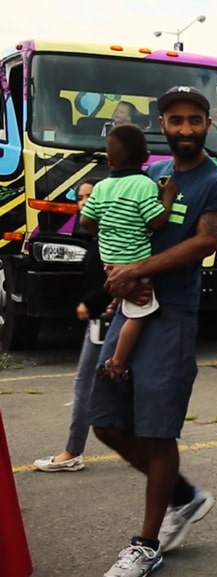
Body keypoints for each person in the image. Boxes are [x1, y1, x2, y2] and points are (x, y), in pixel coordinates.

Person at [89, 85, 217, 577]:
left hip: (171, 314)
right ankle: (183, 495)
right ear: (163, 124)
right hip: (130, 308)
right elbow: (125, 224)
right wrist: (117, 274)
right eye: (176, 121)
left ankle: (145, 545)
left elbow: (205, 242)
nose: (186, 129)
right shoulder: (151, 172)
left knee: (157, 431)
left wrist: (139, 269)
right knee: (105, 421)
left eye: (196, 120)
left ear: (207, 124)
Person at [80, 124, 175, 383]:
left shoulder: (100, 188)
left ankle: (112, 307)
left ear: (109, 159)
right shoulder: (144, 185)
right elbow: (157, 221)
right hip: (135, 261)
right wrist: (167, 195)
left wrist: (107, 232)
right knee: (140, 311)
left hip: (108, 260)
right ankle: (118, 362)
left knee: (123, 301)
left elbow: (86, 222)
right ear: (146, 156)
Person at [33, 177, 111, 473]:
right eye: (80, 198)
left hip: (107, 319)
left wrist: (90, 303)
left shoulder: (112, 236)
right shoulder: (95, 237)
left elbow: (119, 278)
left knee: (84, 386)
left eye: (91, 196)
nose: (85, 202)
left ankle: (72, 451)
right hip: (101, 320)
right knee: (120, 385)